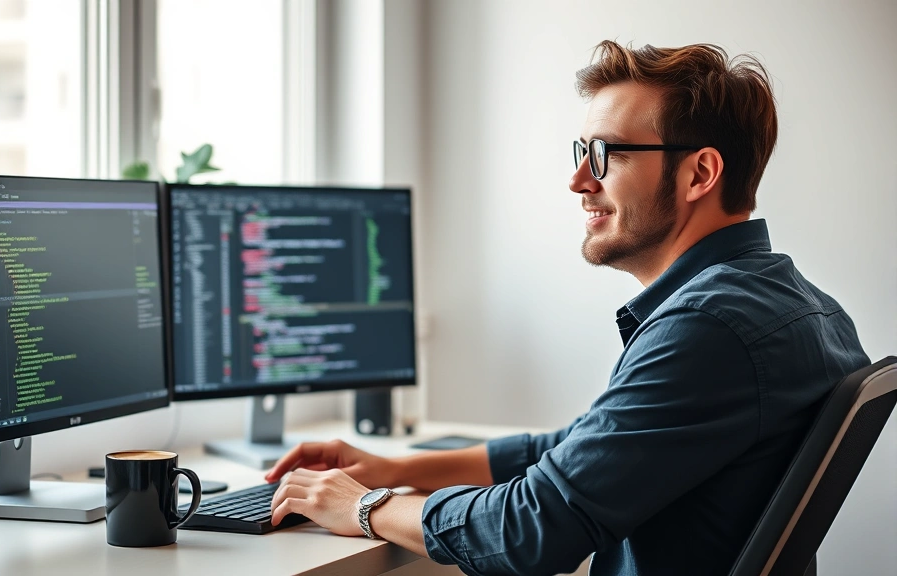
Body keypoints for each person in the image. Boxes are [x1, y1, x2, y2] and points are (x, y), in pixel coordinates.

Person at [265, 41, 870, 576]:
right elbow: (585, 446)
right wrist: (393, 467)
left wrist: (363, 507)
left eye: (606, 154)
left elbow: (531, 532)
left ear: (699, 174)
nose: (579, 180)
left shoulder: (710, 328)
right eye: (580, 151)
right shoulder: (801, 305)